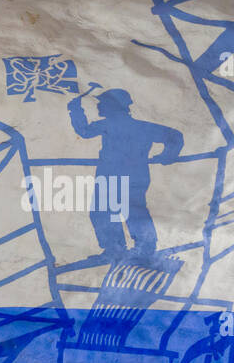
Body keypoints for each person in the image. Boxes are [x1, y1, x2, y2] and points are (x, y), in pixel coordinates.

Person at [67, 88, 182, 259]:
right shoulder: (143, 127)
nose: (99, 106)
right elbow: (175, 136)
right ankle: (143, 248)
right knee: (132, 210)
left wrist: (75, 109)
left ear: (114, 106)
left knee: (105, 212)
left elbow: (84, 131)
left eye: (102, 103)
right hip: (135, 176)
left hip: (112, 176)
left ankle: (117, 249)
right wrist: (168, 156)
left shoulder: (109, 124)